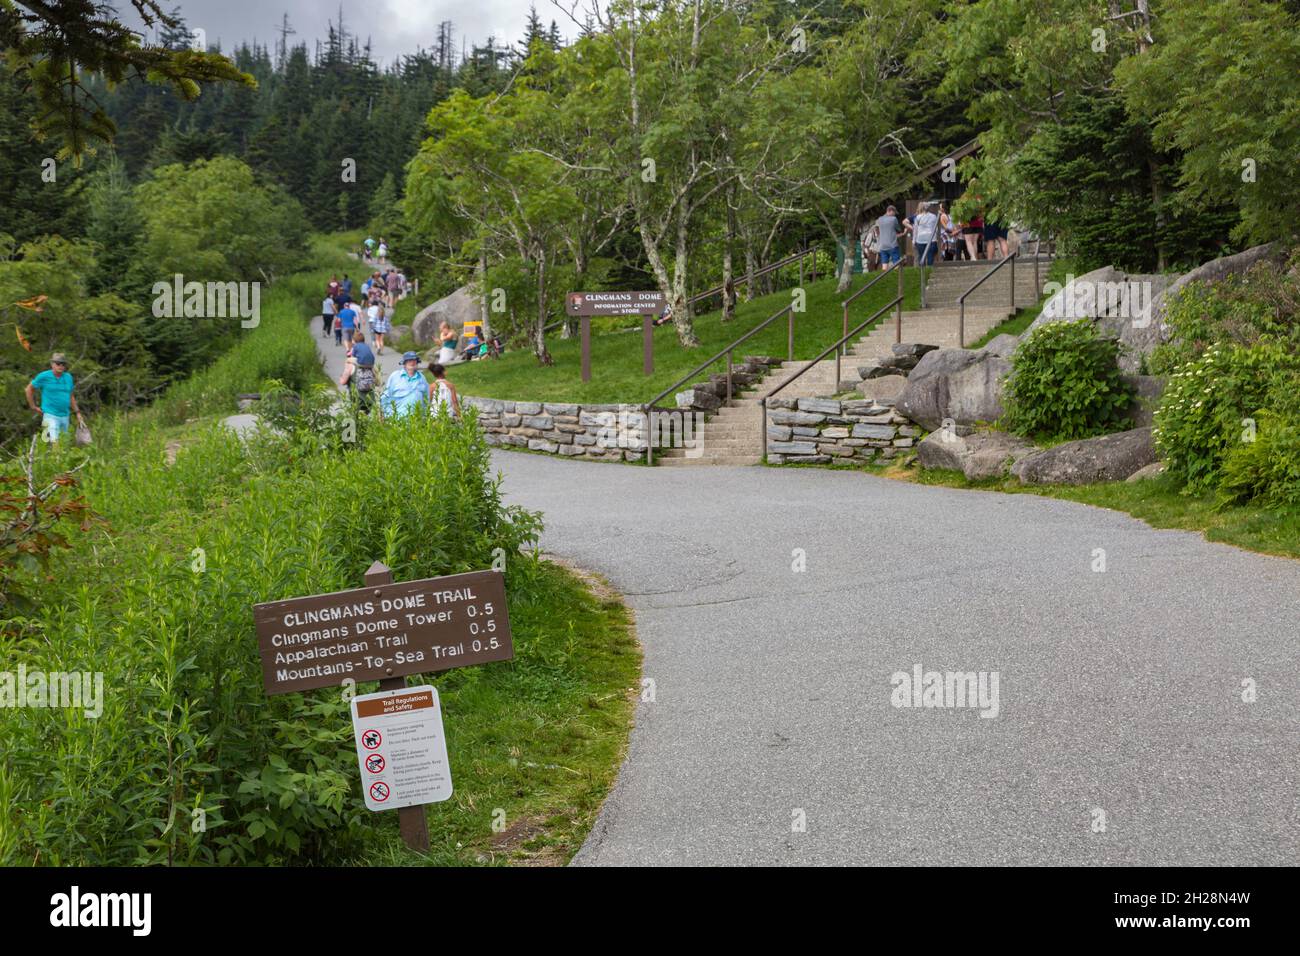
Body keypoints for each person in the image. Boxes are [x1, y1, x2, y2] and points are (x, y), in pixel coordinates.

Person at [26, 353, 84, 444]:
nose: (60, 366)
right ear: (52, 364)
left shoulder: (68, 377)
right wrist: (33, 406)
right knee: (55, 441)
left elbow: (71, 396)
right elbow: (29, 389)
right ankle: (56, 456)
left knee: (64, 443)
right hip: (50, 414)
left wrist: (78, 413)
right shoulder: (44, 376)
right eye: (58, 363)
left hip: (65, 415)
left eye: (63, 364)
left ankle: (57, 458)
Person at [380, 352, 430, 419]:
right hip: (398, 420)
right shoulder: (395, 376)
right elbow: (385, 397)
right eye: (409, 360)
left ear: (417, 362)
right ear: (404, 363)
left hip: (418, 420)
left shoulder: (422, 378)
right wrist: (386, 415)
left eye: (414, 360)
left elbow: (427, 398)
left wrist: (426, 416)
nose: (412, 362)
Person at [340, 331, 378, 414]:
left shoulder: (351, 363)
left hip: (357, 401)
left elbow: (342, 381)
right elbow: (378, 382)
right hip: (370, 401)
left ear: (354, 340)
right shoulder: (371, 365)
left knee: (348, 361)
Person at [869, 205, 907, 270]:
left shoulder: (879, 219)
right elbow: (898, 229)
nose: (894, 214)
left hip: (883, 246)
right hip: (892, 245)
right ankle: (896, 277)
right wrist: (903, 233)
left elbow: (877, 229)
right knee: (896, 263)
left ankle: (884, 279)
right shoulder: (894, 219)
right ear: (890, 211)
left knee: (884, 265)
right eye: (894, 213)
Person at [912, 202, 940, 267]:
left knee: (921, 257)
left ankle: (923, 272)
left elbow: (915, 230)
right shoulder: (933, 216)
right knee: (930, 257)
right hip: (931, 239)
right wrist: (936, 238)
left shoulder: (918, 217)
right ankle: (930, 271)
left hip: (920, 239)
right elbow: (936, 228)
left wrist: (914, 240)